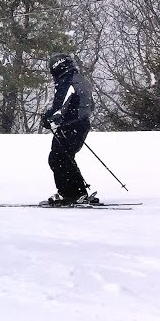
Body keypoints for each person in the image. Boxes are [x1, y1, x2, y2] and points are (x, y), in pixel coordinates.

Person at [39, 53, 98, 206]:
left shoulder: (67, 81)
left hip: (71, 126)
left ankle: (69, 194)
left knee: (57, 158)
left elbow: (59, 106)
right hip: (81, 125)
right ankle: (79, 192)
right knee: (66, 157)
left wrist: (48, 118)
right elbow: (90, 106)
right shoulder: (81, 80)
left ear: (57, 66)